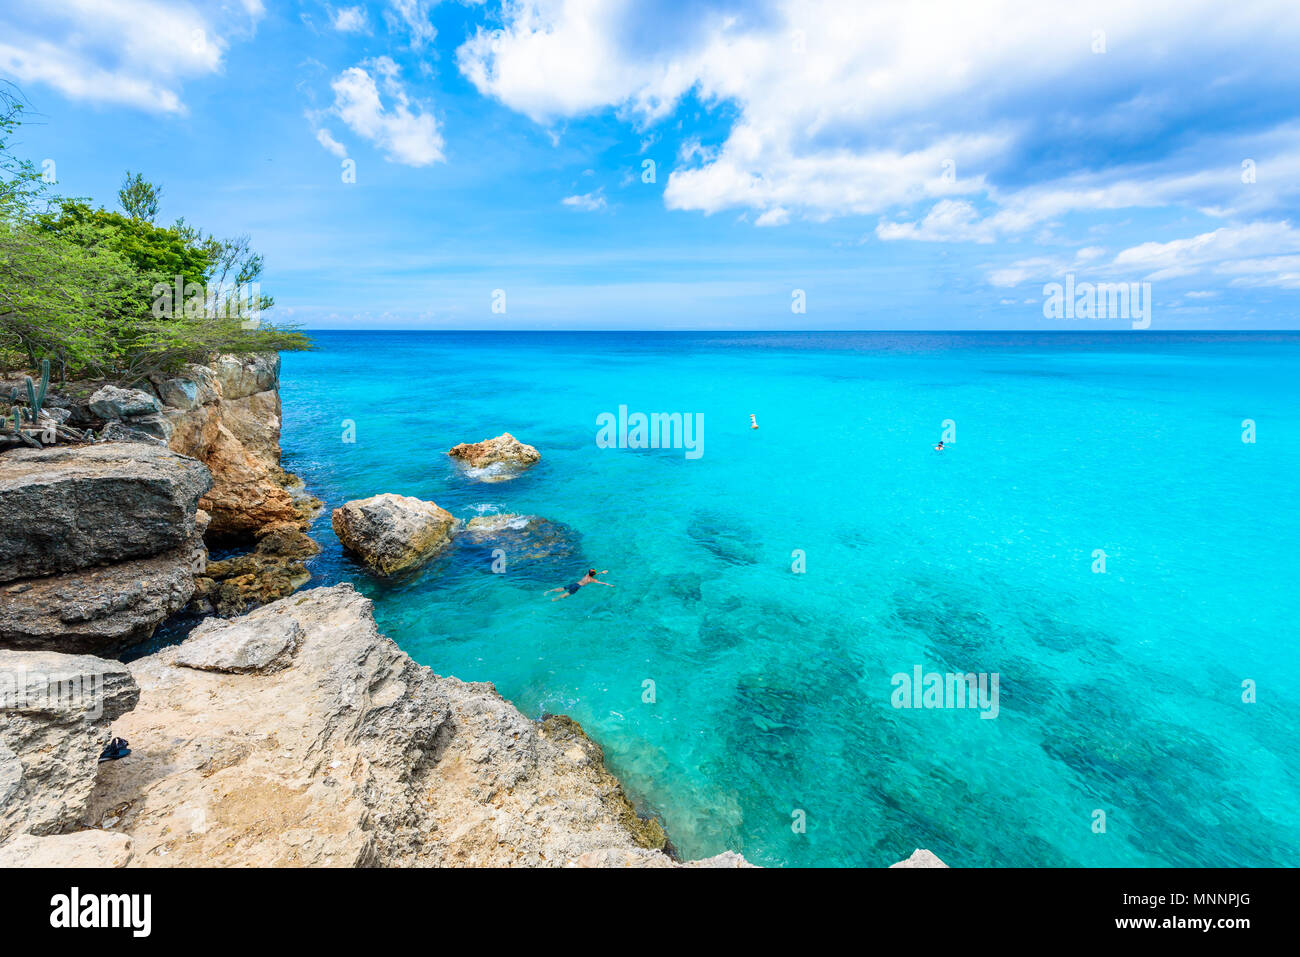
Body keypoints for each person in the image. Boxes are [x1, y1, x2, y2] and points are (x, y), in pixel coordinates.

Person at [547, 569, 614, 601]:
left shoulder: (587, 575)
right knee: (565, 594)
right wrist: (609, 585)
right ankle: (554, 599)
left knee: (562, 588)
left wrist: (601, 572)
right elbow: (602, 583)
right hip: (577, 587)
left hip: (574, 583)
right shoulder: (592, 580)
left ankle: (549, 591)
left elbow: (594, 574)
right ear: (593, 574)